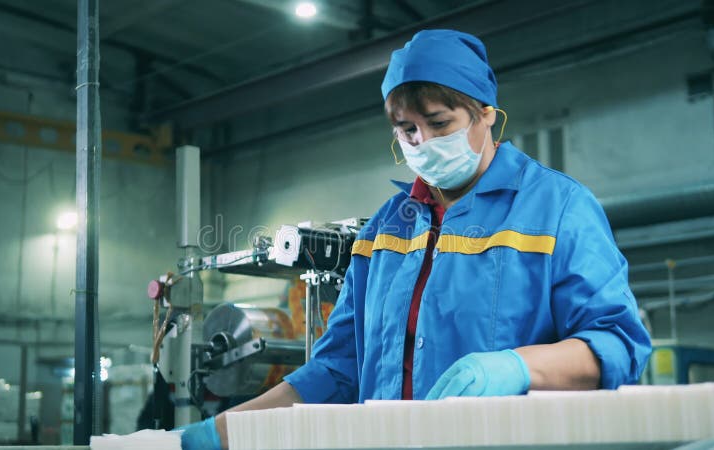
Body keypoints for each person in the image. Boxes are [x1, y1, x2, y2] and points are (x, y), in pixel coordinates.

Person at [179, 29, 652, 450]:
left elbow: (618, 345)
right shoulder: (384, 231)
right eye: (407, 130)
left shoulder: (558, 209)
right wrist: (225, 431)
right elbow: (337, 370)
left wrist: (516, 367)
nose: (422, 142)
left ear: (486, 114)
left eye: (439, 123)